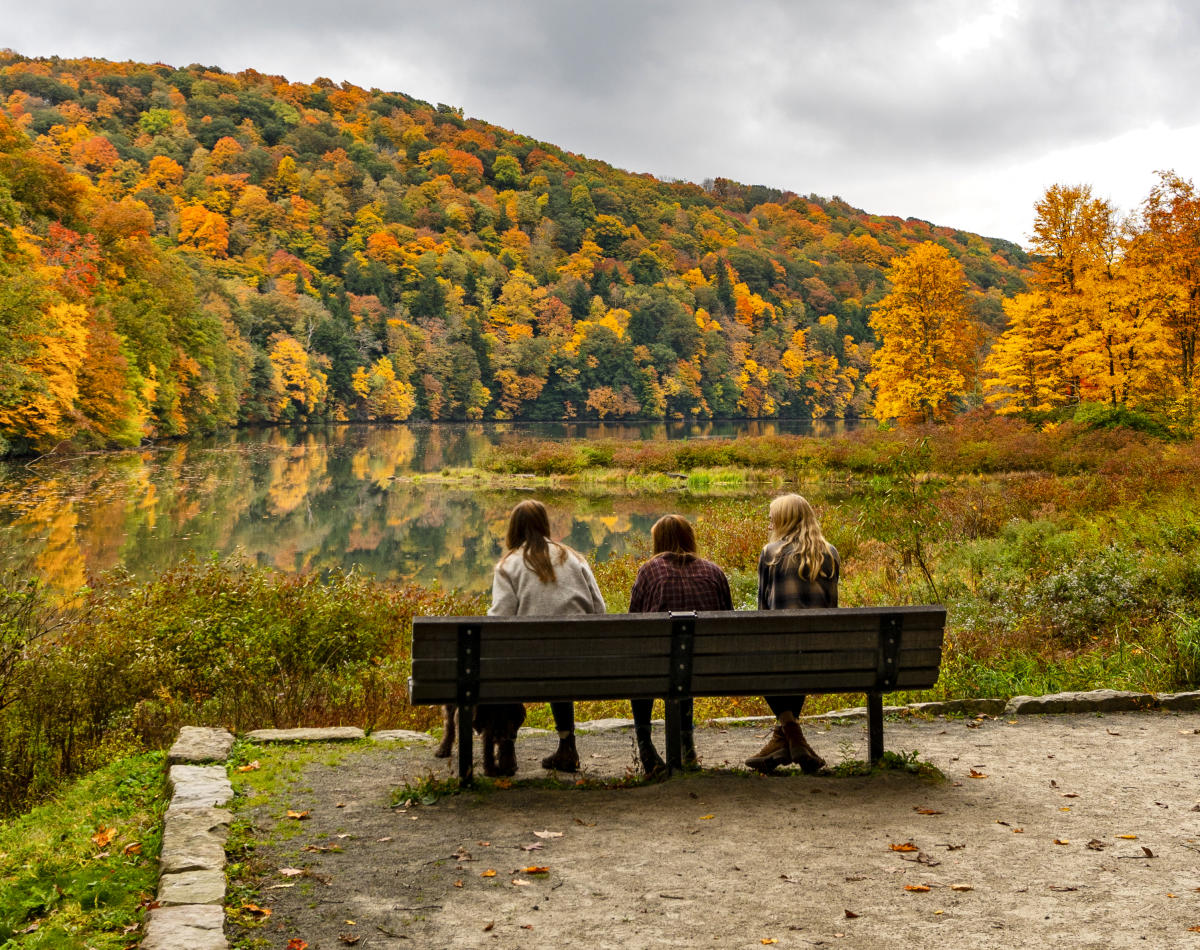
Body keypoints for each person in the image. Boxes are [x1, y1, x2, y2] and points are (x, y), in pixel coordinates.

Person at [488, 499, 606, 772]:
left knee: (506, 657)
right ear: (545, 525)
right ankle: (567, 747)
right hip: (580, 665)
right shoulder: (574, 558)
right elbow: (599, 609)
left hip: (527, 667)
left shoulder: (508, 566)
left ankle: (507, 750)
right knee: (560, 653)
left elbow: (498, 622)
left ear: (513, 529)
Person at [628, 514, 732, 775]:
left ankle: (645, 746)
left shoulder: (650, 570)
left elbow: (633, 622)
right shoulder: (714, 571)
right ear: (690, 538)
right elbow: (729, 621)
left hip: (658, 668)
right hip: (706, 669)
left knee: (652, 664)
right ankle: (687, 746)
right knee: (684, 662)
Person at [745, 493, 840, 774]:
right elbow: (832, 606)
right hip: (819, 653)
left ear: (785, 519)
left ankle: (789, 733)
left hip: (780, 652)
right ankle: (789, 739)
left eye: (773, 515)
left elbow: (764, 610)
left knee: (762, 659)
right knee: (799, 655)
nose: (770, 520)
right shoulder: (830, 553)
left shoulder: (771, 553)